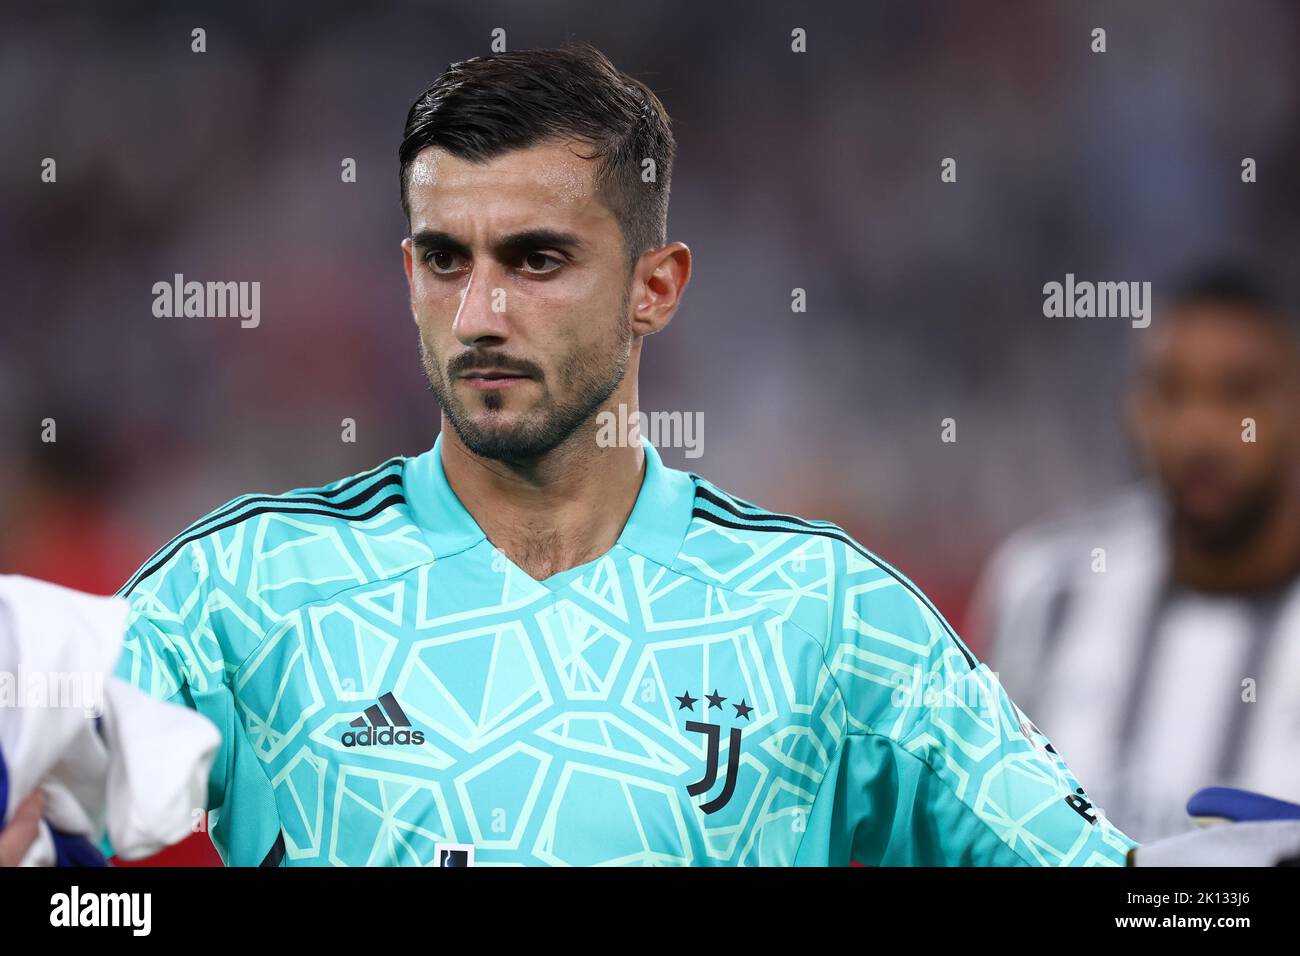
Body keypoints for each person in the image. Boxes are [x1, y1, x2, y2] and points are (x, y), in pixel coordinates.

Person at [109, 44, 1134, 865]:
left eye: (536, 258)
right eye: (443, 258)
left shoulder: (821, 611)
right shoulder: (243, 591)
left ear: (656, 286)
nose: (479, 314)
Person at [972, 268, 1300, 843]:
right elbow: (975, 824)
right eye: (1171, 392)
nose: (1201, 430)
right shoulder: (1047, 589)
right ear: (1134, 408)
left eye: (1240, 392)